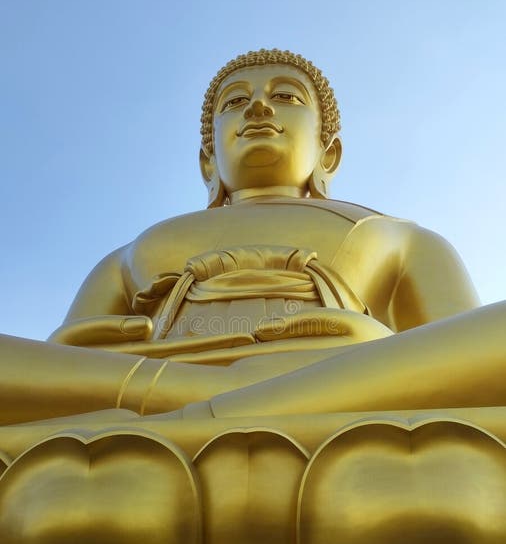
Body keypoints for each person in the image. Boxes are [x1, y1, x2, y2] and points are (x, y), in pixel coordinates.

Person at [1, 48, 505, 426]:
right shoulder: (135, 250)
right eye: (235, 102)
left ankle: (198, 409)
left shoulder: (402, 237)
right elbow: (57, 363)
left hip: (340, 372)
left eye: (285, 97)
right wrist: (89, 346)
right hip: (202, 378)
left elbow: (460, 358)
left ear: (328, 153)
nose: (258, 110)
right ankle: (241, 399)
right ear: (208, 160)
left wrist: (369, 342)